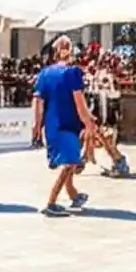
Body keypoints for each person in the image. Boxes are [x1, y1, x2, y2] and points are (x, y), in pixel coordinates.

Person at [32, 36, 98, 217]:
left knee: (68, 160)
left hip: (52, 124)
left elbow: (38, 101)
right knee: (69, 162)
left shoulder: (44, 74)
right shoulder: (72, 73)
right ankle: (51, 202)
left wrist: (37, 124)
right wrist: (88, 122)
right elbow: (80, 102)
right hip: (68, 123)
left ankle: (73, 195)